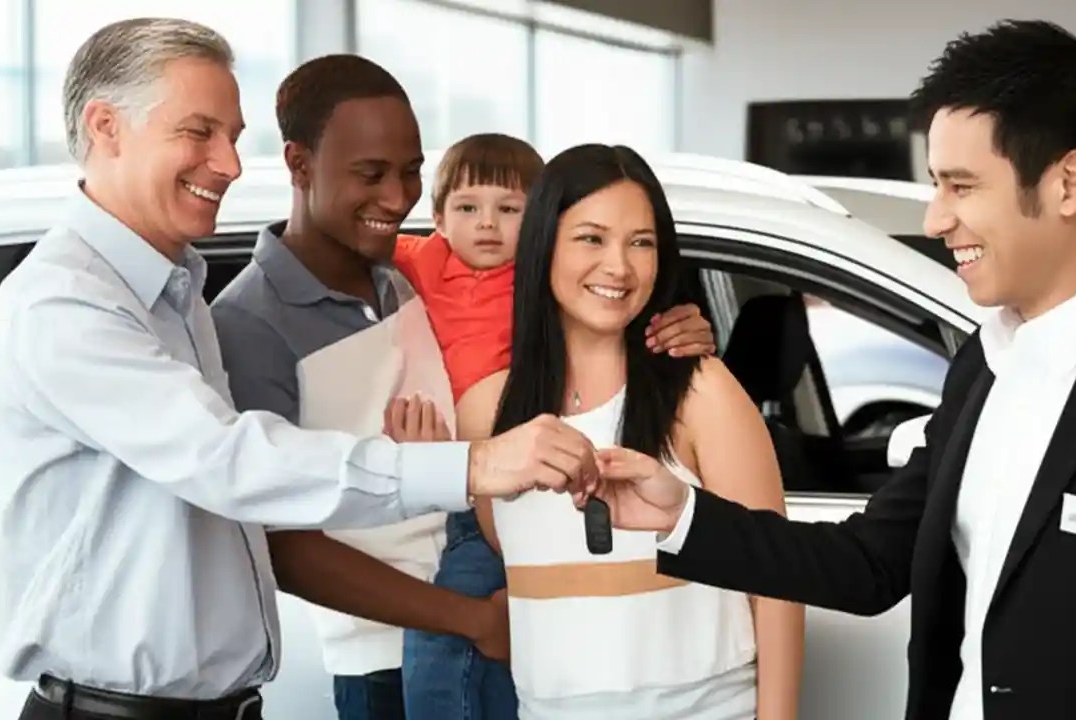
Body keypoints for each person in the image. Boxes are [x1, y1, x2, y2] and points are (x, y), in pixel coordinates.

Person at [594, 20, 1076, 720]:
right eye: (935, 185)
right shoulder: (982, 370)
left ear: (1069, 184)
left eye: (961, 187)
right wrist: (682, 514)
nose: (936, 219)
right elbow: (870, 562)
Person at [0, 20, 597, 720]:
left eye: (233, 137)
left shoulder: (179, 291)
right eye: (199, 132)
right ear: (106, 127)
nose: (231, 165)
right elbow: (229, 463)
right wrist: (472, 467)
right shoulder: (66, 301)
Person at [211, 61, 715, 720]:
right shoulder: (250, 324)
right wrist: (469, 615)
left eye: (411, 172)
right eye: (371, 174)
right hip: (393, 653)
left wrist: (673, 327)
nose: (397, 198)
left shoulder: (405, 275)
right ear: (298, 165)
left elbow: (586, 311)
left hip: (510, 606)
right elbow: (278, 544)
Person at [458, 143, 804, 719]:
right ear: (544, 244)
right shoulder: (485, 412)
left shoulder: (699, 391)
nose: (619, 266)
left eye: (641, 242)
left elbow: (778, 582)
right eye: (591, 238)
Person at [394, 132, 717, 720]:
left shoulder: (562, 284)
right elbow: (349, 244)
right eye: (467, 208)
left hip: (526, 488)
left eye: (510, 210)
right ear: (439, 217)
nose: (487, 225)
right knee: (445, 634)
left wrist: (686, 328)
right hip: (463, 478)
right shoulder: (424, 263)